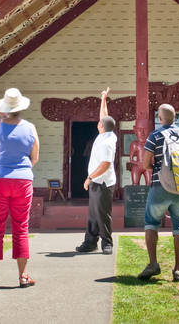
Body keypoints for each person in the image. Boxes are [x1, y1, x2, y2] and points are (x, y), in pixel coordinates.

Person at [0, 88, 40, 289]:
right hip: (23, 180)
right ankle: (23, 276)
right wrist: (21, 170)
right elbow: (35, 157)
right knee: (21, 228)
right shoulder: (30, 127)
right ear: (21, 108)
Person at [138, 103, 179, 283]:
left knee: (151, 223)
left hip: (159, 187)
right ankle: (178, 270)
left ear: (159, 118)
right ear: (176, 118)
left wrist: (158, 169)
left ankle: (153, 264)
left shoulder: (154, 136)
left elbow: (145, 164)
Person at [76, 87, 117, 255]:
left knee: (103, 215)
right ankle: (90, 242)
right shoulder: (105, 133)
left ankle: (107, 243)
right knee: (93, 214)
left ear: (101, 126)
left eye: (100, 122)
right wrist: (103, 98)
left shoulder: (107, 141)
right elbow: (104, 116)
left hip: (102, 182)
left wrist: (89, 178)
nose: (98, 122)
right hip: (96, 181)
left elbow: (105, 164)